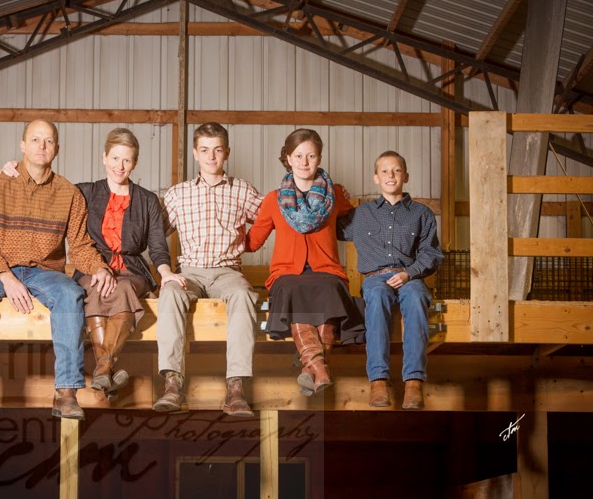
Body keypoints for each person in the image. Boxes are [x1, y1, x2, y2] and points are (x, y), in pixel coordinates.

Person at [1, 128, 185, 399]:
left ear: (134, 163)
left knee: (120, 288)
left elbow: (158, 245)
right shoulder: (83, 192)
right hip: (92, 265)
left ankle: (103, 367)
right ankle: (107, 373)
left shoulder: (147, 200)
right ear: (104, 157)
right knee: (94, 289)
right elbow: (46, 190)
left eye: (127, 160)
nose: (119, 166)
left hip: (132, 270)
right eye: (114, 158)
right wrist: (16, 170)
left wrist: (166, 272)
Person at [0, 119, 114, 428]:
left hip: (46, 272)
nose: (42, 146)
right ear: (22, 145)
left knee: (72, 294)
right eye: (35, 140)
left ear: (57, 148)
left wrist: (100, 267)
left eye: (49, 141)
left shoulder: (69, 193)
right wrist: (6, 276)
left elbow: (80, 245)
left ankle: (66, 392)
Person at [155, 122, 263, 417]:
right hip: (189, 271)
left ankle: (236, 386)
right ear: (195, 153)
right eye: (204, 150)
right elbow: (154, 231)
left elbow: (273, 216)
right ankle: (173, 383)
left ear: (226, 152)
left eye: (217, 150)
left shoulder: (241, 190)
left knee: (244, 295)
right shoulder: (179, 194)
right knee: (170, 294)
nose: (211, 157)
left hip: (228, 271)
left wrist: (250, 243)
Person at [245, 128, 361, 396]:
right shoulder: (273, 199)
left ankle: (311, 368)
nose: (304, 162)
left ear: (319, 158)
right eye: (298, 155)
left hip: (327, 269)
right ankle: (320, 368)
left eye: (311, 155)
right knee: (293, 288)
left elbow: (356, 223)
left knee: (331, 288)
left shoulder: (336, 196)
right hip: (288, 273)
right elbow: (252, 242)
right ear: (288, 157)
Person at [338, 150, 443, 410]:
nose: (391, 175)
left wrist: (410, 273)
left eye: (396, 170)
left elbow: (432, 253)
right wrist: (336, 197)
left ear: (405, 176)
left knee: (418, 297)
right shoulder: (361, 215)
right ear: (376, 177)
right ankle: (378, 380)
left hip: (409, 275)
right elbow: (332, 225)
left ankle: (413, 382)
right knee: (375, 296)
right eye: (384, 171)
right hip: (375, 278)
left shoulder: (422, 214)